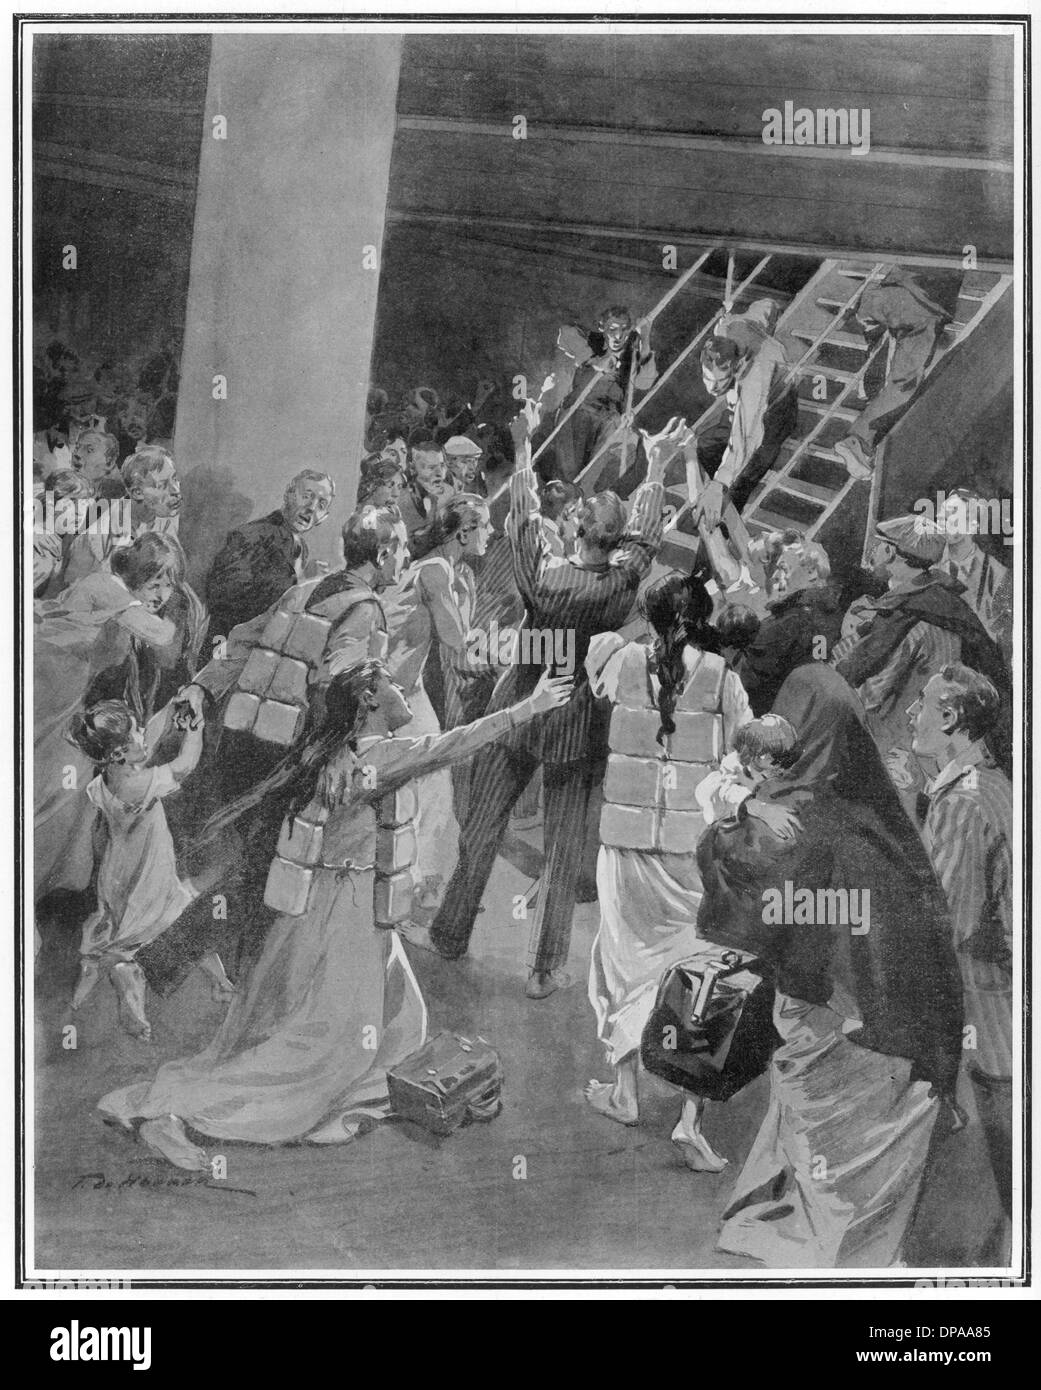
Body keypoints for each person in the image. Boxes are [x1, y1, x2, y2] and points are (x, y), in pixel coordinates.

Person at [96, 661, 572, 1170]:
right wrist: (529, 708)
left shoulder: (339, 753)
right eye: (390, 683)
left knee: (397, 1023)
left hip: (341, 901)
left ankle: (209, 1095)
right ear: (368, 699)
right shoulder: (380, 756)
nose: (401, 690)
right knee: (326, 1050)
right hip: (345, 908)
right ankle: (181, 1116)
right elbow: (455, 743)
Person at [696, 663, 964, 1267]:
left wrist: (732, 813)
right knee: (838, 1143)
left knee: (822, 1146)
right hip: (892, 1027)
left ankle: (829, 1247)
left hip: (835, 1021)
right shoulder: (878, 815)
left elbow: (729, 875)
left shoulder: (788, 817)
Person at [422, 409, 683, 998]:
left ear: (585, 533)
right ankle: (543, 968)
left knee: (483, 826)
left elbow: (521, 518)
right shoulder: (620, 582)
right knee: (564, 850)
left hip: (524, 706)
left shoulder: (548, 578)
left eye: (583, 514)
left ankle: (450, 934)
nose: (575, 514)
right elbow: (645, 535)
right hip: (580, 721)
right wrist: (660, 464)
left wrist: (522, 447)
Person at [583, 574, 796, 1169]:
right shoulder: (723, 680)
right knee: (696, 982)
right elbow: (742, 756)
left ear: (649, 615)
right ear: (702, 617)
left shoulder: (615, 657)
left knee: (621, 970)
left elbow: (609, 649)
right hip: (687, 852)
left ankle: (626, 1093)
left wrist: (654, 626)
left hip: (625, 847)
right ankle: (689, 1121)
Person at [900, 665, 1013, 1238]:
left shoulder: (964, 803)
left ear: (950, 720)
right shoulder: (984, 786)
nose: (910, 716)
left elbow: (948, 923)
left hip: (985, 1011)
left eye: (920, 706)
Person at [34, 533, 198, 899]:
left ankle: (54, 885)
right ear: (135, 574)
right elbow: (162, 632)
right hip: (50, 684)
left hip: (69, 694)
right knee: (49, 788)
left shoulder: (121, 603)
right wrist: (180, 607)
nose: (161, 595)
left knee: (66, 794)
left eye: (169, 587)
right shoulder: (105, 587)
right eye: (155, 583)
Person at [66, 699, 233, 1040]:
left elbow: (151, 736)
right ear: (119, 755)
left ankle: (219, 982)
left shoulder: (106, 783)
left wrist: (172, 708)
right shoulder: (140, 785)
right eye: (137, 732)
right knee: (171, 925)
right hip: (148, 876)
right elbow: (185, 765)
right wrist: (195, 732)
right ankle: (132, 995)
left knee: (137, 928)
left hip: (119, 875)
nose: (145, 734)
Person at [380, 495, 492, 912]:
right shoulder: (435, 572)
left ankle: (426, 879)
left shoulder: (447, 571)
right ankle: (419, 882)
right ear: (464, 533)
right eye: (486, 525)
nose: (491, 533)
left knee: (434, 786)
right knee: (425, 784)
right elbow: (457, 641)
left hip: (408, 690)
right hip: (387, 691)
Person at [833, 515, 1008, 774]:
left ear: (891, 552)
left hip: (899, 751)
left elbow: (867, 694)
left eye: (878, 545)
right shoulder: (943, 601)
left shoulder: (908, 619)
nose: (872, 552)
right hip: (940, 744)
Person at [833, 266, 963, 480]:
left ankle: (868, 413)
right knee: (904, 383)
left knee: (884, 355)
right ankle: (859, 440)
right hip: (920, 308)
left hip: (880, 297)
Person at [690, 299, 799, 529]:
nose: (712, 389)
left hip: (775, 412)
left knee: (742, 478)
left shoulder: (755, 374)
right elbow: (768, 305)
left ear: (737, 366)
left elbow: (746, 434)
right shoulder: (727, 327)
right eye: (708, 378)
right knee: (706, 444)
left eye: (720, 382)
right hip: (743, 399)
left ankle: (723, 523)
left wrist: (720, 483)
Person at [204, 469, 335, 638]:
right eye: (307, 496)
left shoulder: (301, 548)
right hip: (227, 645)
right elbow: (222, 596)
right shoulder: (252, 535)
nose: (311, 507)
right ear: (289, 494)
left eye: (321, 505)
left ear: (324, 517)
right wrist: (301, 584)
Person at [539, 305, 657, 488]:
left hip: (609, 418)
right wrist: (595, 361)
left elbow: (645, 382)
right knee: (568, 474)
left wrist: (646, 338)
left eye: (624, 329)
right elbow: (564, 333)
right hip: (578, 412)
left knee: (628, 441)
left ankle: (591, 494)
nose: (618, 336)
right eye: (612, 329)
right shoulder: (592, 342)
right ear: (602, 328)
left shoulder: (632, 354)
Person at [734, 534, 844, 713]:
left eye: (784, 568)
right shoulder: (826, 612)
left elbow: (752, 665)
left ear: (811, 572)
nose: (777, 575)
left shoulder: (796, 618)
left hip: (756, 707)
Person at [62, 445, 184, 585]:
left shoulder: (166, 517)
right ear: (137, 493)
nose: (176, 490)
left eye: (175, 479)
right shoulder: (102, 530)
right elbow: (76, 585)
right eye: (162, 485)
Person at [938, 488, 1013, 663]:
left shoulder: (998, 575)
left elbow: (1004, 641)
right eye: (942, 514)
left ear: (973, 525)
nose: (942, 520)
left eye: (952, 514)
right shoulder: (929, 564)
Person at [397, 435, 454, 536]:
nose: (439, 473)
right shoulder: (401, 500)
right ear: (412, 468)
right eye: (431, 468)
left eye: (442, 465)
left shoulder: (449, 492)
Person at [71, 428, 125, 500]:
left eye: (90, 450)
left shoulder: (120, 500)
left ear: (109, 462)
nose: (77, 454)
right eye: (77, 448)